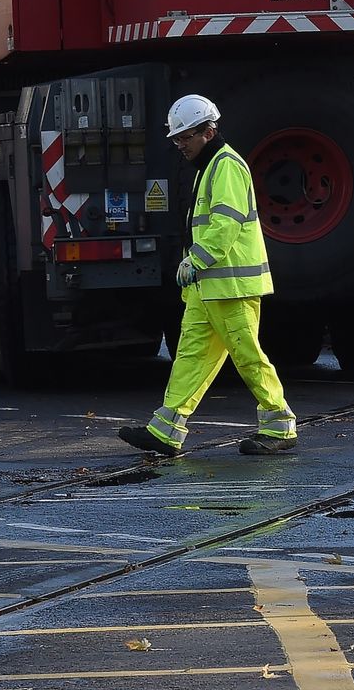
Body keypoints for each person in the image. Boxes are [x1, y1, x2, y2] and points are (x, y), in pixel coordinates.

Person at [120, 95, 297, 457]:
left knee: (247, 355)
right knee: (190, 355)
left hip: (229, 285)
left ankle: (280, 424)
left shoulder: (226, 165)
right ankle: (166, 428)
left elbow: (225, 224)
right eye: (176, 138)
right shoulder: (211, 165)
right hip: (211, 286)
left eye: (185, 137)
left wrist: (195, 260)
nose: (179, 144)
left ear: (208, 132)